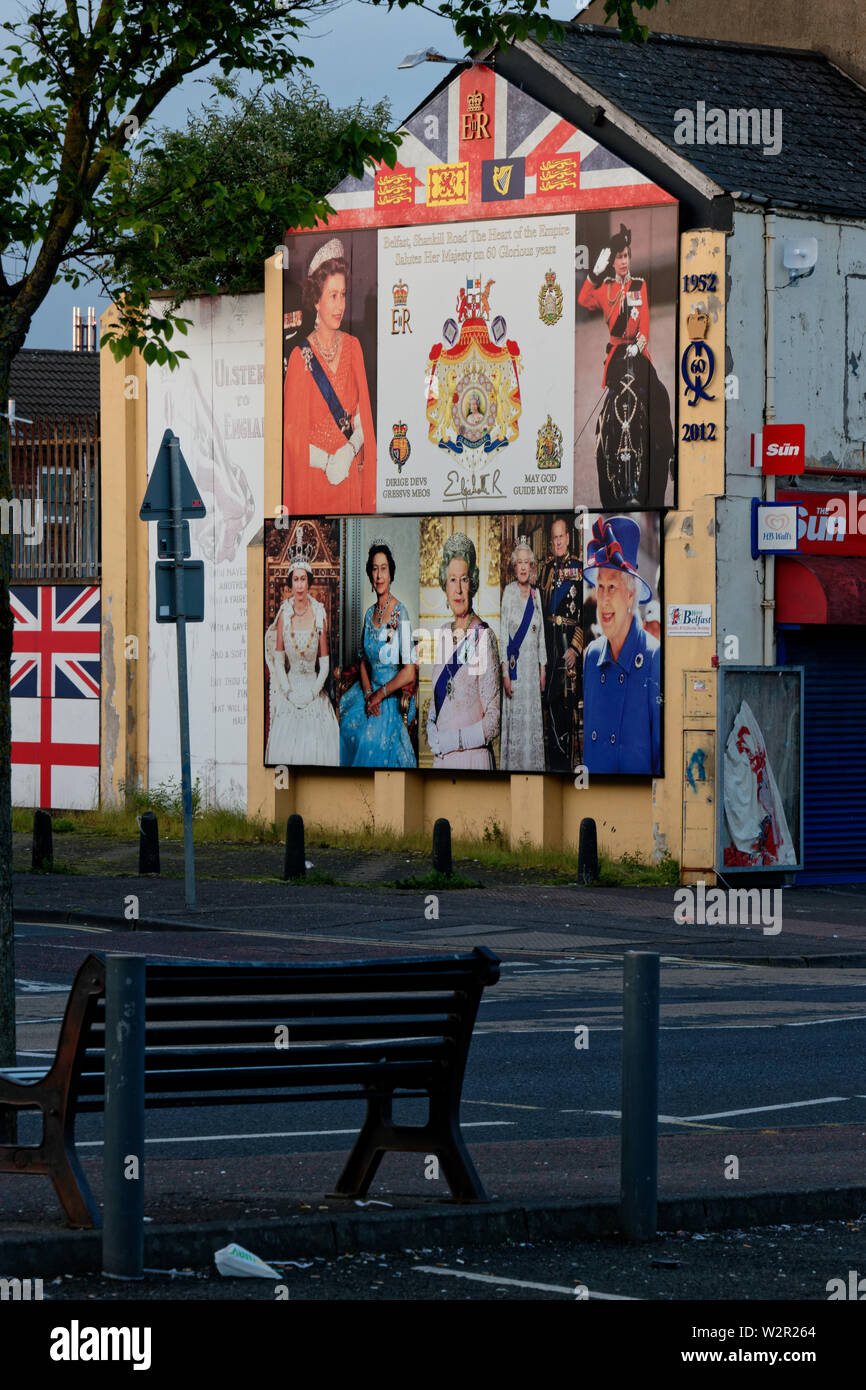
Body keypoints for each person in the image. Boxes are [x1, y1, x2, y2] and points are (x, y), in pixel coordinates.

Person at [578, 223, 674, 508]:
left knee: (660, 396)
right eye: (618, 257)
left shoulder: (640, 286)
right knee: (605, 412)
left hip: (638, 352)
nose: (622, 262)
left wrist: (639, 345)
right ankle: (603, 453)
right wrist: (595, 273)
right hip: (617, 356)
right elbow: (583, 299)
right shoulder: (605, 289)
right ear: (612, 261)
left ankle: (669, 456)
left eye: (625, 256)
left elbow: (644, 325)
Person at [283, 237, 376, 513]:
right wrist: (327, 462)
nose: (340, 305)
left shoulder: (353, 346)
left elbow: (363, 419)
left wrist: (347, 453)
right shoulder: (301, 359)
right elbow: (293, 438)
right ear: (316, 300)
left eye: (343, 294)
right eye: (332, 296)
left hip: (348, 476)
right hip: (316, 481)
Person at [582, 515, 661, 774]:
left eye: (612, 586)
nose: (603, 599)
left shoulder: (653, 657)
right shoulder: (592, 657)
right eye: (600, 586)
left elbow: (660, 758)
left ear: (630, 596)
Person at [426, 531, 501, 770]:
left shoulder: (484, 637)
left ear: (473, 583)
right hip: (442, 761)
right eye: (452, 580)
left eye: (464, 579)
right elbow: (437, 704)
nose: (458, 589)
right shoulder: (443, 633)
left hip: (473, 761)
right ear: (445, 586)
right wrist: (430, 727)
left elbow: (493, 722)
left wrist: (452, 741)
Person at [339, 541, 418, 768]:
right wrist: (367, 695)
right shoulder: (368, 614)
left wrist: (380, 695)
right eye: (374, 568)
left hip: (390, 696)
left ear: (390, 573)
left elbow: (409, 672)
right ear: (370, 575)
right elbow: (363, 661)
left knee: (369, 739)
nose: (379, 575)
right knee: (345, 726)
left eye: (383, 568)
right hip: (368, 691)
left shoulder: (400, 613)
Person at [264, 532, 340, 766]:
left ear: (309, 581)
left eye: (303, 579)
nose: (299, 585)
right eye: (295, 580)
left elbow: (325, 664)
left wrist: (311, 693)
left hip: (312, 691)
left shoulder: (319, 614)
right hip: (290, 689)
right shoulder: (284, 616)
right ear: (290, 583)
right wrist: (287, 692)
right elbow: (278, 661)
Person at [539, 517, 582, 772]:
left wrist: (576, 648)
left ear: (567, 537)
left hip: (567, 643)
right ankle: (554, 765)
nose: (557, 542)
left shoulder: (578, 567)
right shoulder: (545, 570)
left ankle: (565, 767)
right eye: (553, 538)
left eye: (560, 537)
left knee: (566, 708)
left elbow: (586, 615)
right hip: (549, 644)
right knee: (550, 706)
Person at [500, 539, 546, 772]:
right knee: (517, 725)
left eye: (527, 563)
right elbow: (503, 635)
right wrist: (505, 674)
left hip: (532, 672)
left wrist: (543, 667)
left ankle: (532, 769)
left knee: (531, 724)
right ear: (514, 566)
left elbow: (542, 636)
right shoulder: (508, 593)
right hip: (516, 671)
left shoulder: (536, 595)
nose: (524, 567)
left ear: (532, 567)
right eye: (519, 563)